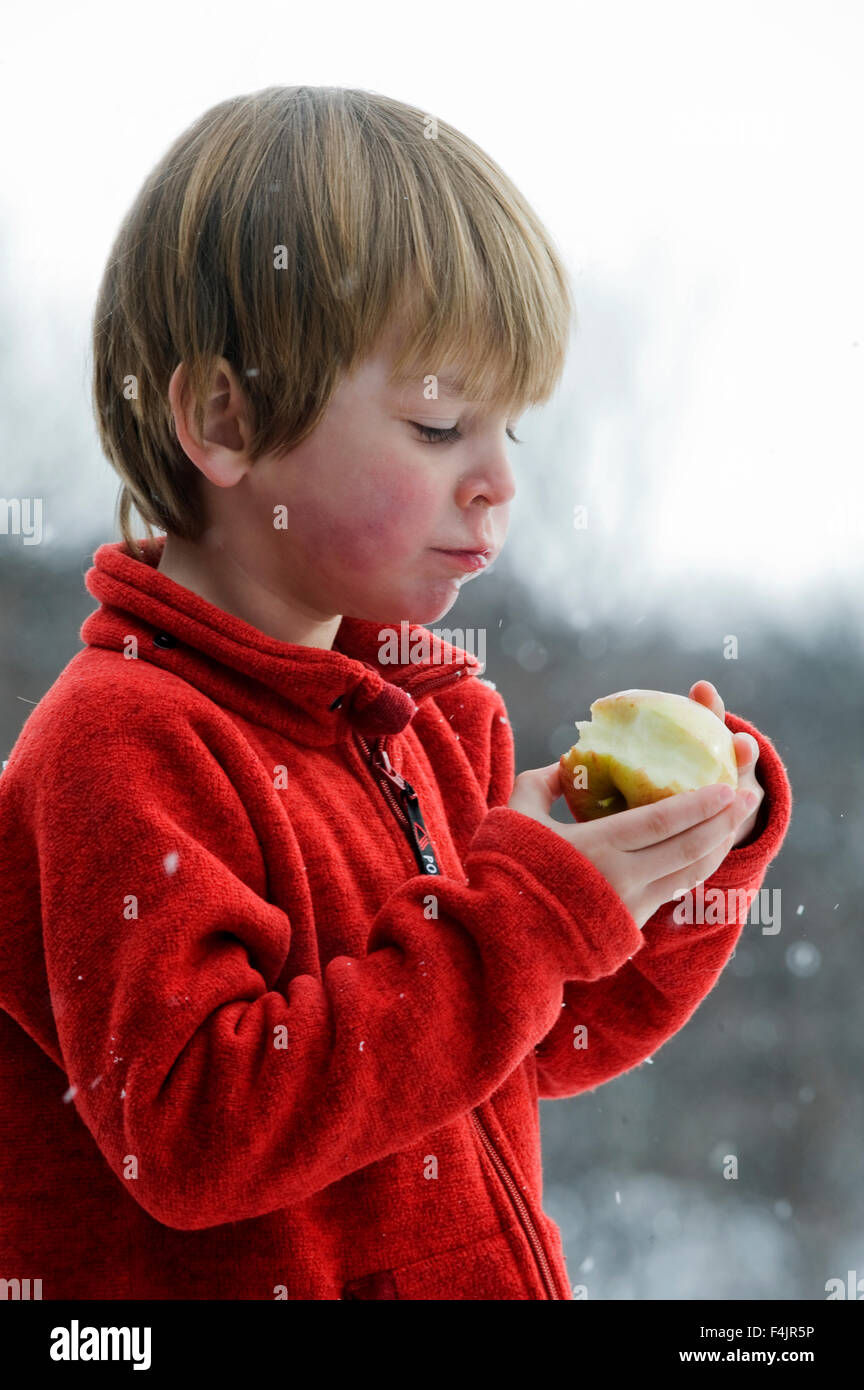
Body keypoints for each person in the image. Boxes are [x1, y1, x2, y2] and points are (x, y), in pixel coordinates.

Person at [0, 85, 791, 1300]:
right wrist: (519, 911)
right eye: (436, 423)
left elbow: (529, 1039)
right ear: (226, 419)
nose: (493, 483)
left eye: (507, 433)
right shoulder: (121, 745)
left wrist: (680, 869)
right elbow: (199, 1128)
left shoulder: (427, 723)